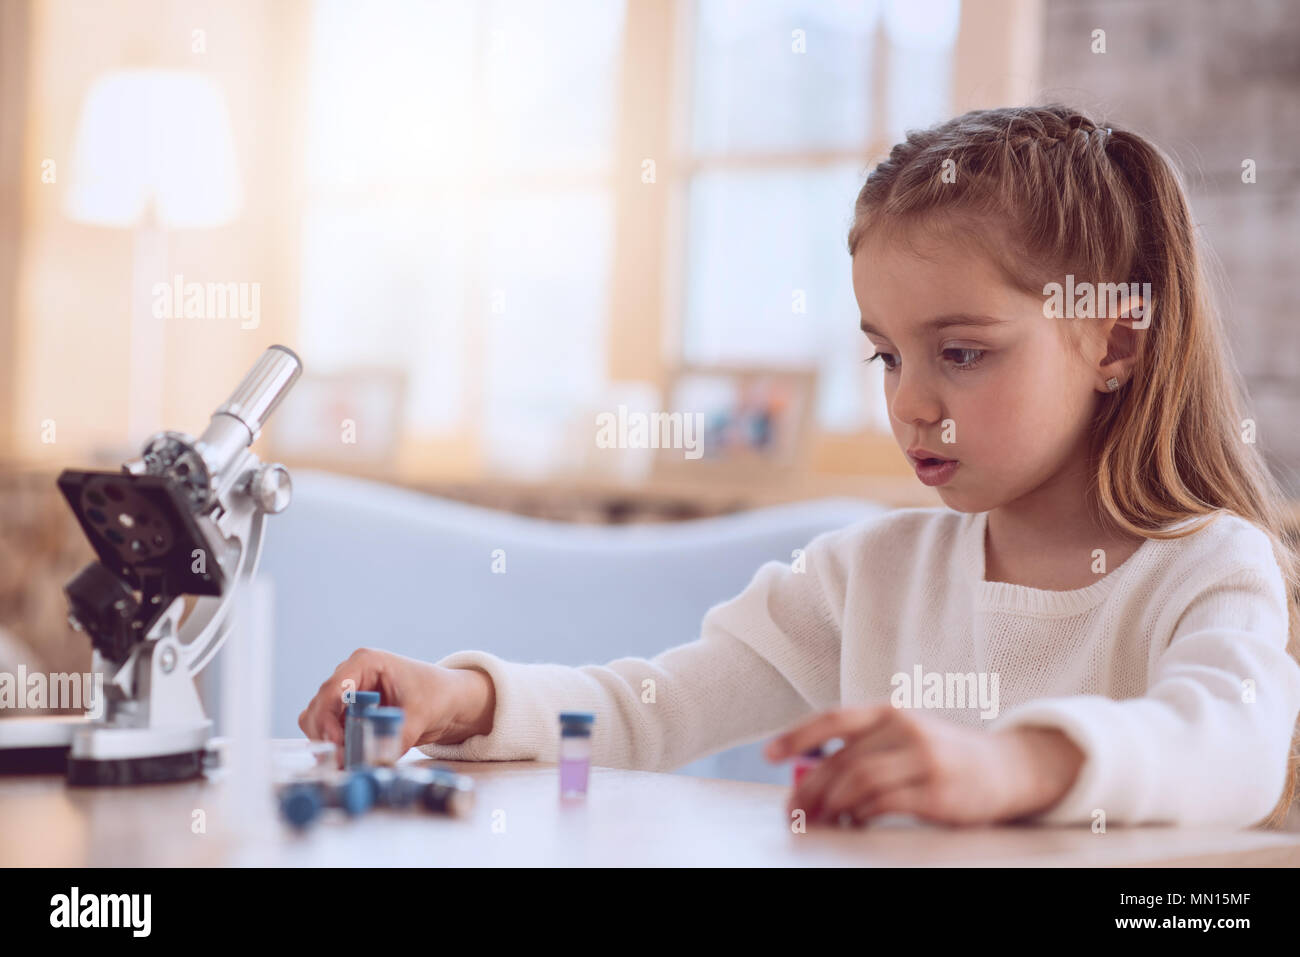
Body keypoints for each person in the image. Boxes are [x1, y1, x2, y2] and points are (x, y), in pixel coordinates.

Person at [300, 105, 1300, 829]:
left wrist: (1009, 764)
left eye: (960, 352)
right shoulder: (866, 578)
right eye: (885, 354)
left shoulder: (1206, 568)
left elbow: (1230, 746)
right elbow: (653, 706)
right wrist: (465, 696)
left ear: (1114, 345)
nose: (909, 400)